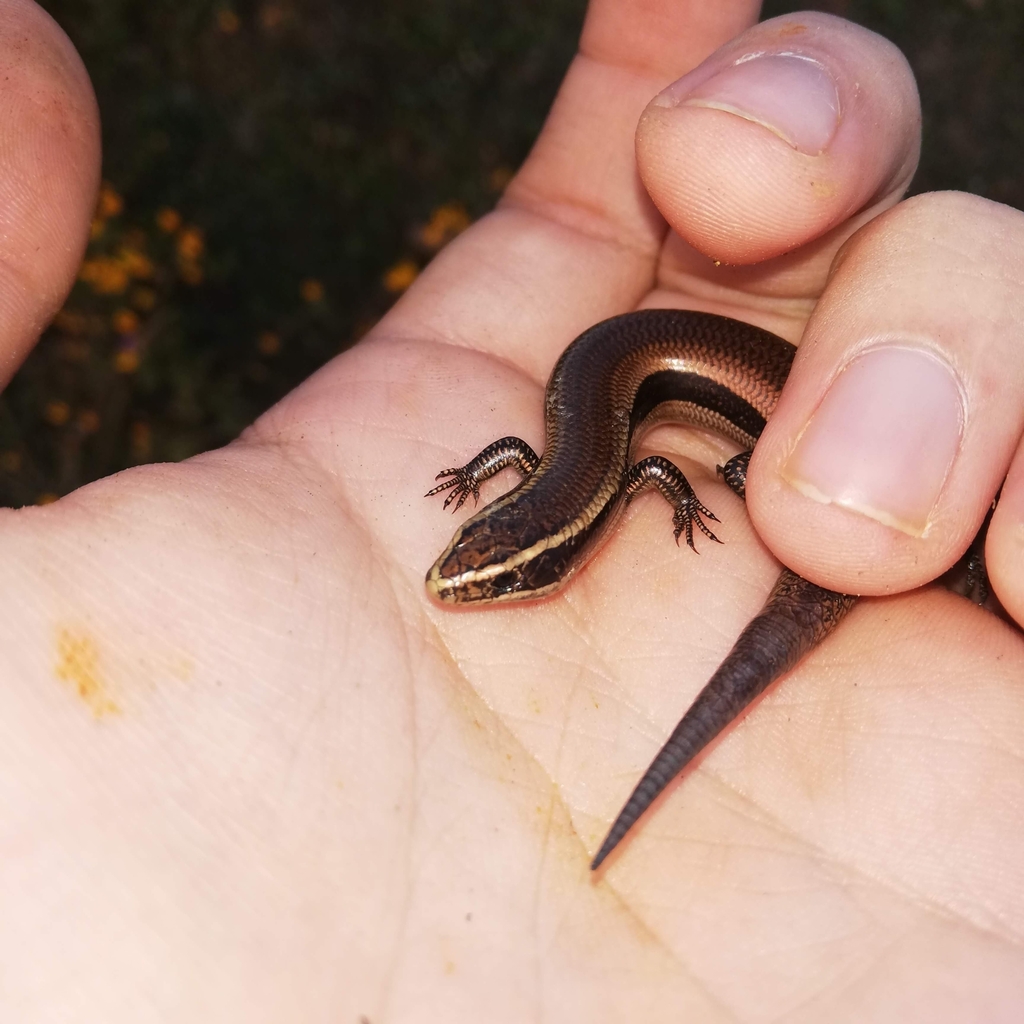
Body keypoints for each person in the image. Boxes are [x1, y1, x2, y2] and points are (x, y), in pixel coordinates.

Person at [5, 1, 1023, 1018]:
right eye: (478, 558)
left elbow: (624, 472)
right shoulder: (594, 477)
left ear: (549, 557)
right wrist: (503, 485)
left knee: (836, 481)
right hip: (684, 391)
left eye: (491, 569)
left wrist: (698, 493)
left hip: (741, 400)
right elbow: (604, 469)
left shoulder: (598, 478)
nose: (458, 580)